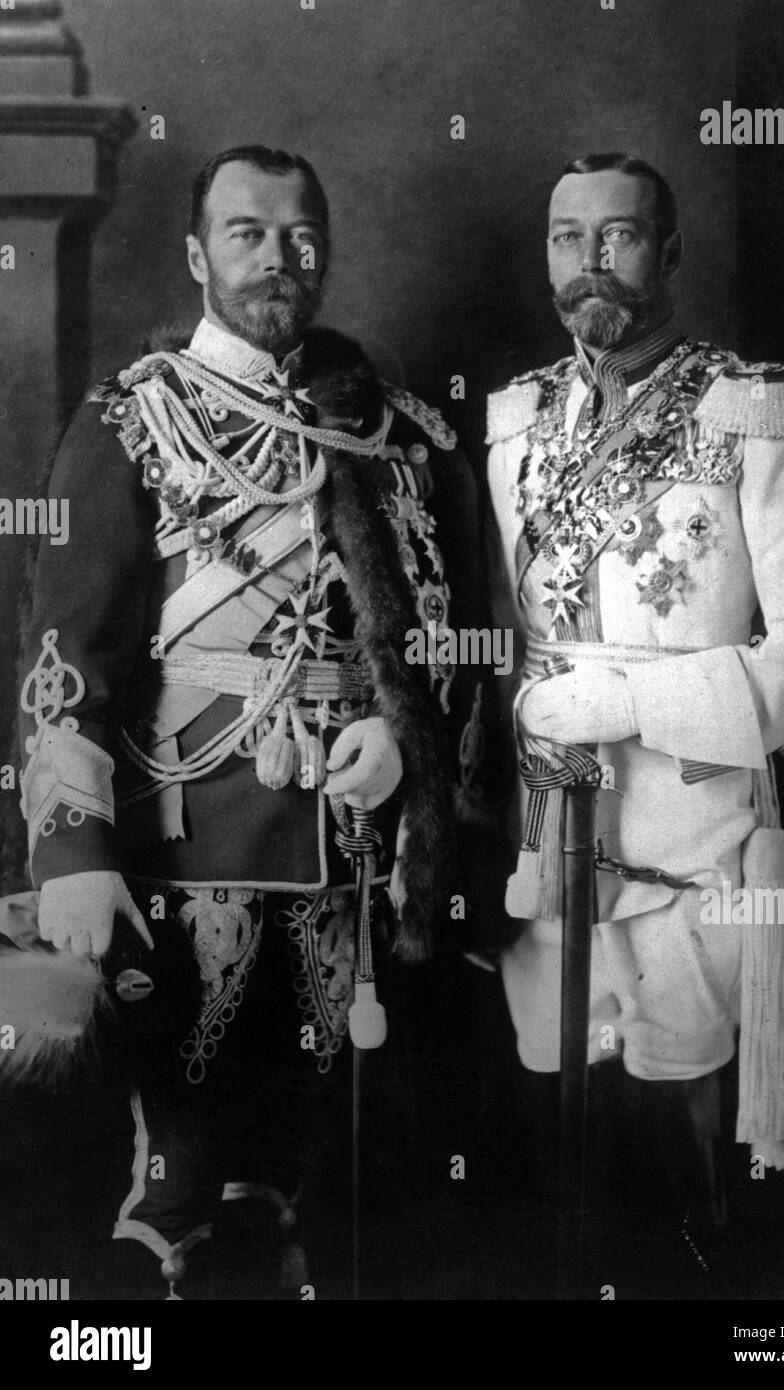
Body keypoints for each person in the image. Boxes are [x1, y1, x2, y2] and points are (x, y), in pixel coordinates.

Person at [13, 144, 469, 1298]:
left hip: (346, 858)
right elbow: (67, 661)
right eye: (246, 232)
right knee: (176, 1179)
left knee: (297, 1175)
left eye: (299, 234)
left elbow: (422, 624)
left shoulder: (377, 418)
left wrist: (395, 732)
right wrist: (70, 852)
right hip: (186, 848)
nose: (277, 256)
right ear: (196, 254)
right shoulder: (133, 421)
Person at [485, 152, 784, 1275]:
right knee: (560, 1151)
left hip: (693, 848)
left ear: (670, 250)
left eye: (619, 234)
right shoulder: (515, 421)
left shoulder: (751, 413)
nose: (590, 261)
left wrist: (636, 698)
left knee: (687, 1164)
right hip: (546, 842)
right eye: (567, 237)